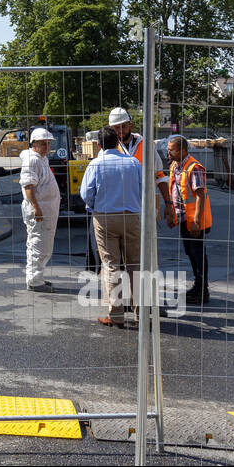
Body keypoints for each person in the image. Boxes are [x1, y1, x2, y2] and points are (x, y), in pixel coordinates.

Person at [80, 126, 144, 326]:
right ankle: (141, 314)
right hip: (132, 216)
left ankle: (116, 315)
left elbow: (86, 193)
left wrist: (94, 206)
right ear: (118, 141)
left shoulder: (96, 164)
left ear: (98, 144)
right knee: (136, 265)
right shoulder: (133, 163)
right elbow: (142, 188)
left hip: (106, 217)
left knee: (110, 265)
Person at [164, 134, 211, 306]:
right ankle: (198, 286)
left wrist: (197, 221)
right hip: (184, 219)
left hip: (194, 221)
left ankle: (202, 290)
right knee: (191, 253)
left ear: (182, 150)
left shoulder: (194, 167)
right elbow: (174, 192)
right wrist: (170, 212)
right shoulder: (175, 166)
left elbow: (200, 195)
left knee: (198, 254)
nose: (168, 153)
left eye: (171, 150)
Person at [20, 127, 60, 291]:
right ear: (34, 144)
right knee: (39, 246)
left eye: (48, 143)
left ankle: (37, 278)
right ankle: (35, 281)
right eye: (43, 144)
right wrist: (36, 207)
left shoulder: (41, 159)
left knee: (40, 245)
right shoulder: (33, 160)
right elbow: (29, 185)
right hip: (40, 212)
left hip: (45, 210)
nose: (46, 147)